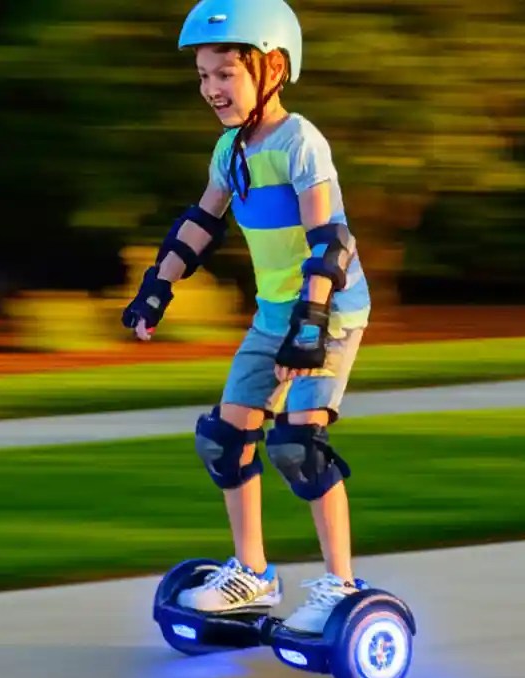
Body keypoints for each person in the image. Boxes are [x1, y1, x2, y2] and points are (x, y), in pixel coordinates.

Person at [122, 0, 372, 635]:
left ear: (274, 69)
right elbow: (200, 224)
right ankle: (252, 575)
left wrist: (310, 324)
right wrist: (157, 287)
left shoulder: (299, 142)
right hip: (273, 314)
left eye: (225, 74)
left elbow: (329, 242)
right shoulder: (229, 150)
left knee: (297, 446)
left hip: (328, 310)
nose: (212, 89)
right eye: (204, 76)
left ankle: (340, 585)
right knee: (224, 438)